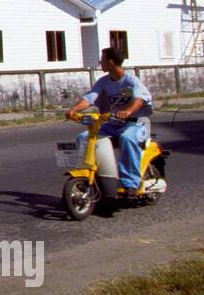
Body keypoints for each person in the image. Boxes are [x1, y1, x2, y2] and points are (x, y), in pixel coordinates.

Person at [65, 45, 154, 192]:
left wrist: (127, 111)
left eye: (102, 60)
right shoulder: (103, 81)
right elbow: (89, 98)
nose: (101, 63)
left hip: (135, 123)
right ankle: (89, 175)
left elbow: (140, 99)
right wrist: (74, 110)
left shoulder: (131, 81)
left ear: (111, 62)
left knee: (127, 138)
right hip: (112, 124)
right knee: (84, 137)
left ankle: (130, 183)